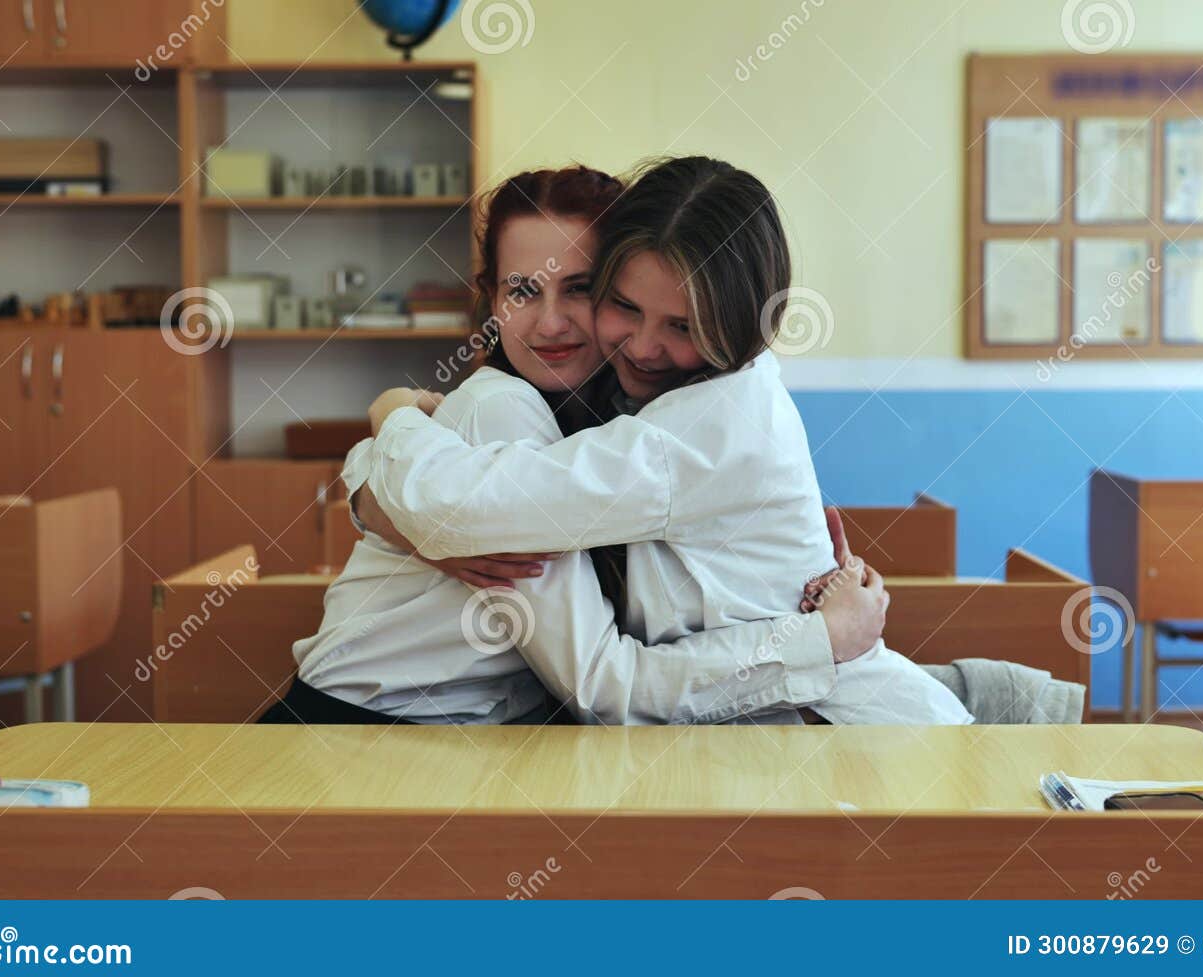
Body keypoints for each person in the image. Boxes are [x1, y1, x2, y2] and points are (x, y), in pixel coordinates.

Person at [261, 165, 888, 726]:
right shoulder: (504, 407)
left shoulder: (622, 412)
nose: (551, 323)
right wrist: (390, 431)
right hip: (356, 739)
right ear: (491, 297)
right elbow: (602, 682)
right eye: (523, 290)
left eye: (582, 288)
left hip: (461, 738)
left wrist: (386, 433)